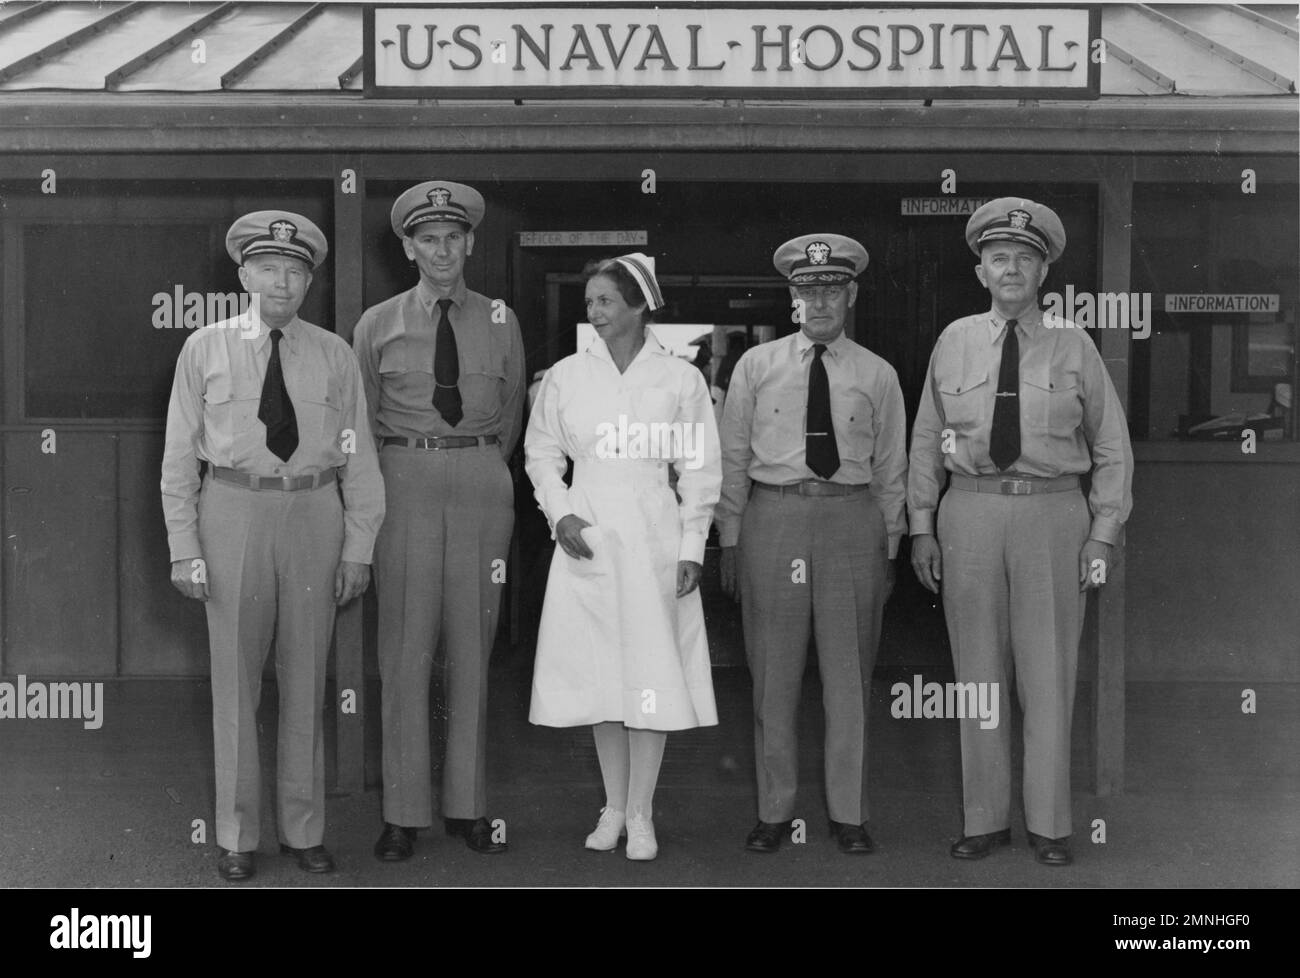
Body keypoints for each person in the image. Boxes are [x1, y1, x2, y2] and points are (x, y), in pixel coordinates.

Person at [907, 197, 1133, 867]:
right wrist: (922, 525)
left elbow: (1113, 447)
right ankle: (984, 820)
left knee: (1049, 673)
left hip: (1052, 514)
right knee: (977, 675)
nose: (1011, 268)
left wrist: (1104, 532)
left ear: (1043, 274)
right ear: (981, 271)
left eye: (1025, 259)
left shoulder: (1075, 344)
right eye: (998, 257)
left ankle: (1051, 825)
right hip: (970, 512)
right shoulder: (954, 341)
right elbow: (926, 439)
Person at [161, 210, 384, 881]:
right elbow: (178, 458)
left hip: (315, 513)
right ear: (244, 274)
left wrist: (358, 548)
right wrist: (183, 547)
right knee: (234, 682)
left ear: (309, 279)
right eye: (267, 269)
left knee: (306, 679)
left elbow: (360, 457)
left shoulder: (334, 353)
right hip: (230, 512)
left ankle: (303, 828)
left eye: (294, 271)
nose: (281, 282)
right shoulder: (204, 347)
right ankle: (235, 834)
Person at [525, 254, 721, 861]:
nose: (594, 313)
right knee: (600, 678)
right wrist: (561, 516)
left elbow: (700, 470)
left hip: (653, 538)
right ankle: (612, 806)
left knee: (648, 675)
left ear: (640, 305)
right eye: (589, 303)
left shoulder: (680, 379)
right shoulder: (566, 375)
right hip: (586, 538)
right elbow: (540, 454)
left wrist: (692, 546)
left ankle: (641, 813)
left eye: (606, 301)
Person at [717, 234, 907, 855]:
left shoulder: (877, 373)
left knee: (849, 676)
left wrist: (889, 550)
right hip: (775, 519)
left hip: (851, 522)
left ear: (851, 294)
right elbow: (732, 461)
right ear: (792, 296)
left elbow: (891, 472)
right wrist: (731, 540)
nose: (819, 301)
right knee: (773, 673)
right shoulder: (755, 366)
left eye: (830, 289)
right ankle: (775, 809)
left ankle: (849, 812)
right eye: (807, 289)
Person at [353, 181, 526, 860]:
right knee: (404, 650)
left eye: (454, 236)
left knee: (472, 649)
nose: (443, 249)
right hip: (405, 481)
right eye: (429, 238)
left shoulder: (502, 320)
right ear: (408, 247)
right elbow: (359, 426)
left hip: (482, 481)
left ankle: (468, 805)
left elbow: (510, 417)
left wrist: (479, 466)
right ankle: (403, 811)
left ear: (471, 242)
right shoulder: (376, 323)